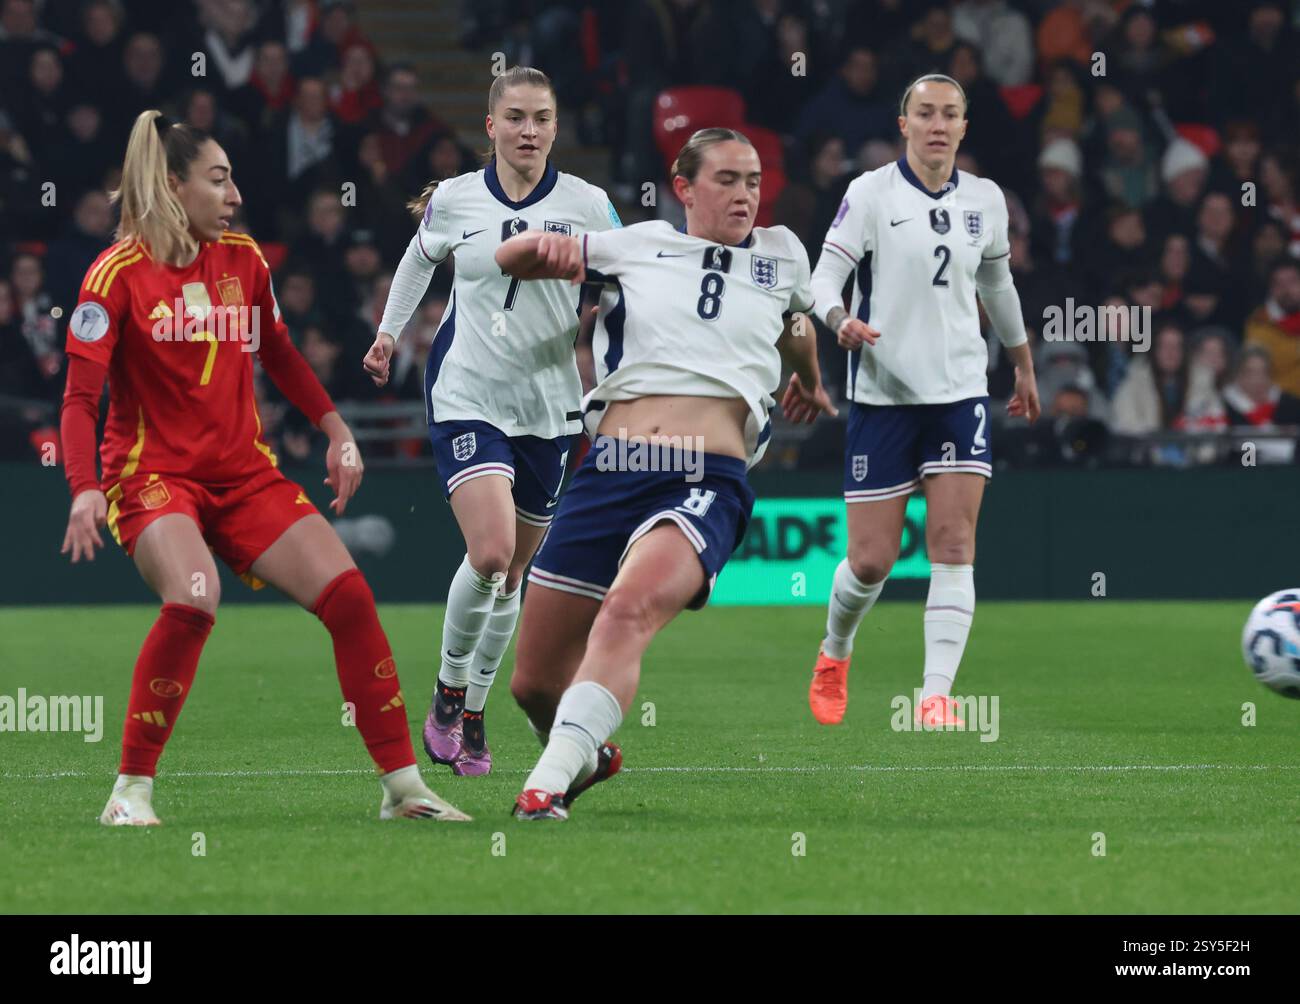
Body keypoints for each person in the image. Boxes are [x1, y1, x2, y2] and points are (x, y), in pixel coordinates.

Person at [59, 110, 467, 826]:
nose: (235, 193)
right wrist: (84, 490)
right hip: (154, 479)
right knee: (194, 595)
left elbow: (277, 354)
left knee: (349, 596)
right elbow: (79, 398)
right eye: (218, 180)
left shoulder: (245, 261)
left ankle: (403, 789)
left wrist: (336, 428)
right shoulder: (114, 275)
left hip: (245, 476)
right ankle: (130, 792)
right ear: (173, 186)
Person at [497, 127, 836, 820]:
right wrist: (543, 248)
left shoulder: (781, 253)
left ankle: (546, 785)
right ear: (683, 187)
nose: (745, 194)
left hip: (705, 475)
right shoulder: (638, 243)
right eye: (726, 180)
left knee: (628, 611)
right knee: (532, 682)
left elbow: (795, 318)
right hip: (610, 468)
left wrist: (809, 377)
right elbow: (508, 258)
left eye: (752, 181)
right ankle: (582, 752)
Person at [362, 67, 619, 777]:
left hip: (549, 405)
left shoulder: (590, 205)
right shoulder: (454, 199)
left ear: (556, 127)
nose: (528, 130)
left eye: (541, 117)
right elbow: (419, 261)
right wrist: (388, 333)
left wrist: (621, 369)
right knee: (491, 552)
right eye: (515, 118)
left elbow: (634, 277)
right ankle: (446, 691)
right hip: (469, 391)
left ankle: (473, 711)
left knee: (513, 578)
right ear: (491, 127)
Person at [804, 73, 1040, 728]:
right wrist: (837, 318)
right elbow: (825, 275)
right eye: (925, 113)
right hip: (882, 395)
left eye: (951, 115)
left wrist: (1021, 365)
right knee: (872, 560)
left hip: (960, 391)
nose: (938, 124)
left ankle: (936, 694)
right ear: (903, 123)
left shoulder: (987, 201)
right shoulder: (870, 194)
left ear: (965, 127)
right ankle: (835, 650)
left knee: (953, 542)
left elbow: (998, 288)